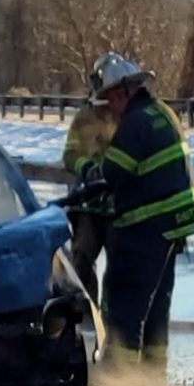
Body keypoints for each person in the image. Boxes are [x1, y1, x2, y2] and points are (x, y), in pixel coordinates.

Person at [82, 53, 194, 369]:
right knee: (155, 313)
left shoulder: (134, 124)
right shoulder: (162, 112)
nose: (109, 107)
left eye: (109, 99)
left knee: (124, 307)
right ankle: (152, 382)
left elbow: (111, 175)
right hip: (175, 228)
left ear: (123, 91)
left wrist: (88, 171)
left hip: (148, 230)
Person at [60, 93, 118, 299]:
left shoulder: (129, 116)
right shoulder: (84, 118)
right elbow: (69, 155)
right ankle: (86, 314)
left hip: (118, 206)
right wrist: (86, 167)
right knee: (81, 263)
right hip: (86, 205)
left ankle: (113, 322)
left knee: (119, 268)